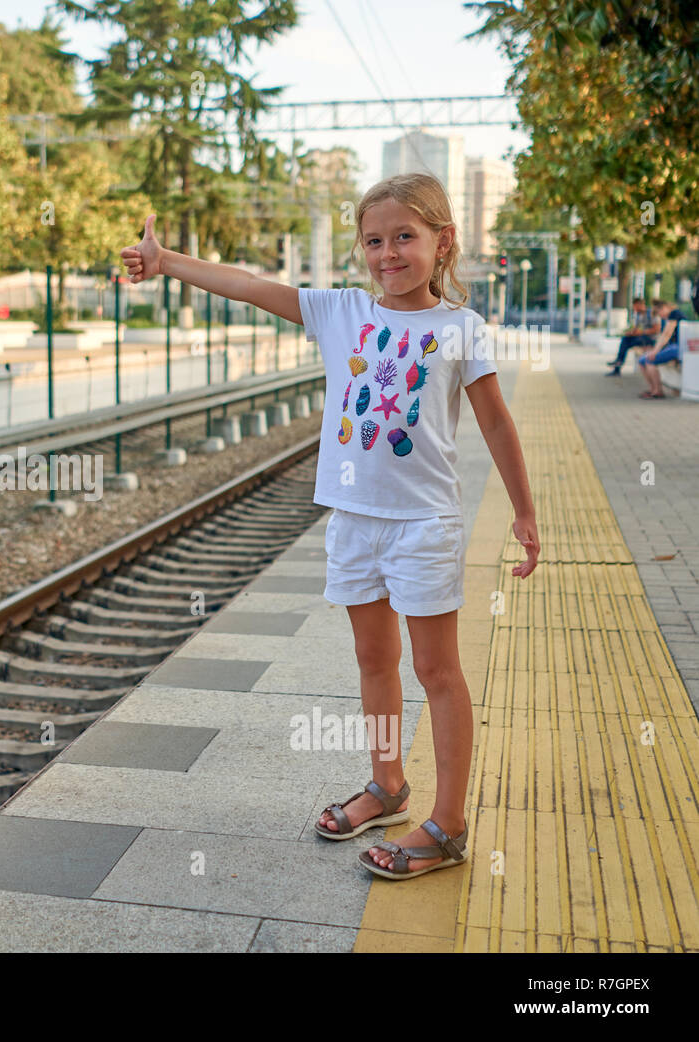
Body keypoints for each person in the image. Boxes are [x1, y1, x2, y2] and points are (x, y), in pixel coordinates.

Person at [122, 172, 541, 881]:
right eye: (374, 240)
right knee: (373, 662)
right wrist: (168, 264)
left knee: (437, 670)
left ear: (443, 242)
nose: (388, 253)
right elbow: (251, 285)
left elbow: (496, 422)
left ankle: (449, 824)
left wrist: (525, 512)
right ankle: (388, 787)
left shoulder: (460, 329)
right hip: (354, 522)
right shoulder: (342, 311)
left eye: (404, 237)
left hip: (424, 525)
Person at [637, 299, 683, 399]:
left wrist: (655, 352)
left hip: (678, 347)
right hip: (673, 347)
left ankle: (658, 391)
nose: (660, 316)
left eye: (659, 313)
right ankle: (653, 389)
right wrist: (654, 349)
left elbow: (666, 335)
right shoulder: (668, 318)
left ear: (664, 308)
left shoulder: (674, 313)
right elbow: (663, 338)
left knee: (649, 360)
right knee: (641, 361)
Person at [605, 297, 660, 376]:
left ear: (641, 305)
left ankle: (618, 364)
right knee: (625, 339)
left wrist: (642, 332)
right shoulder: (638, 315)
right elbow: (635, 329)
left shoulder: (651, 313)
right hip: (642, 337)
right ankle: (618, 363)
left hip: (651, 339)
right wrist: (630, 333)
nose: (634, 308)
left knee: (626, 343)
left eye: (635, 306)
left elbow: (657, 329)